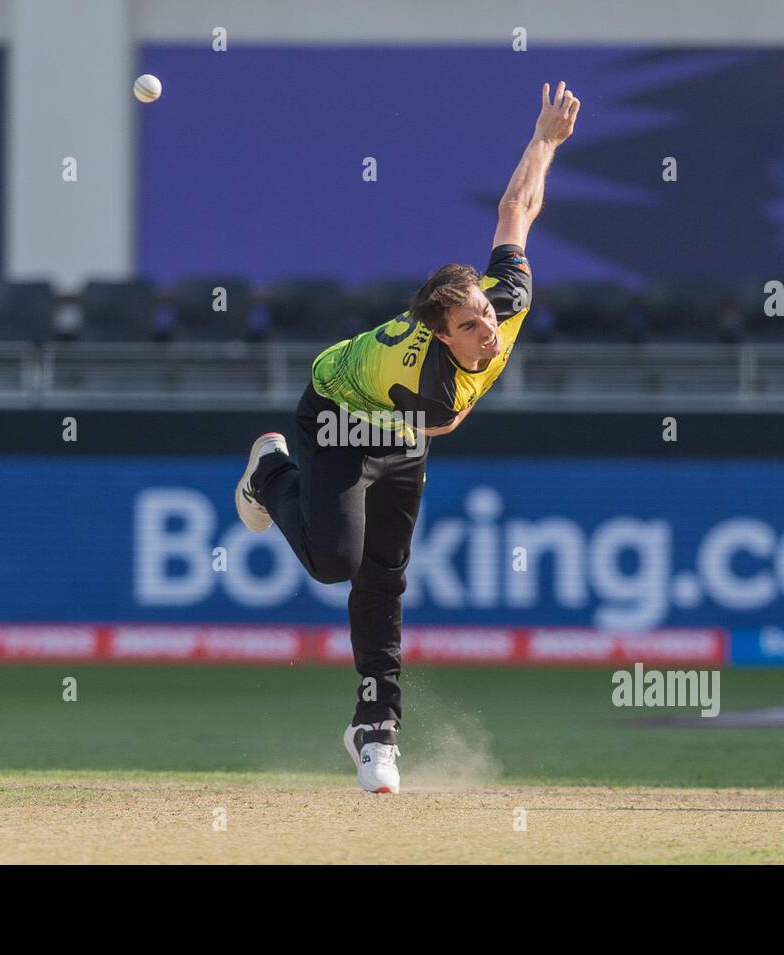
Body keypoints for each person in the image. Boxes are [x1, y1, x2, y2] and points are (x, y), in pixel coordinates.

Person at [234, 81, 580, 793]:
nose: (489, 333)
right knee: (335, 562)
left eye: (486, 315)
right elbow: (446, 419)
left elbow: (516, 209)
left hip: (399, 429)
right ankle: (270, 472)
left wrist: (543, 141)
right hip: (338, 411)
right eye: (471, 328)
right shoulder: (425, 384)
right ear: (437, 335)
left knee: (384, 576)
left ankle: (376, 729)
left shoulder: (505, 302)